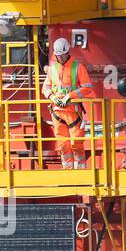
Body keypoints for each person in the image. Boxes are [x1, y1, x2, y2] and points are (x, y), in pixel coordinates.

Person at [43, 36, 93, 170]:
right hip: (57, 112)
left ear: (67, 52)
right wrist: (52, 98)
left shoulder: (78, 67)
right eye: (57, 55)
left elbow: (87, 87)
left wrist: (69, 96)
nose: (59, 57)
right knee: (63, 144)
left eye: (61, 55)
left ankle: (80, 171)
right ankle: (68, 171)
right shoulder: (52, 69)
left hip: (73, 112)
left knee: (76, 143)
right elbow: (45, 87)